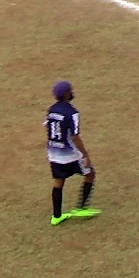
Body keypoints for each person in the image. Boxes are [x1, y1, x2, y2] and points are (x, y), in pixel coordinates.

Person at [45, 81, 101, 226]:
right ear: (66, 94)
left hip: (53, 153)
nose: (72, 92)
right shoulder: (72, 112)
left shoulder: (51, 110)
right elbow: (75, 136)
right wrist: (85, 154)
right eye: (70, 90)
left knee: (58, 182)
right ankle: (81, 207)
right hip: (71, 154)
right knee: (90, 174)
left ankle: (56, 216)